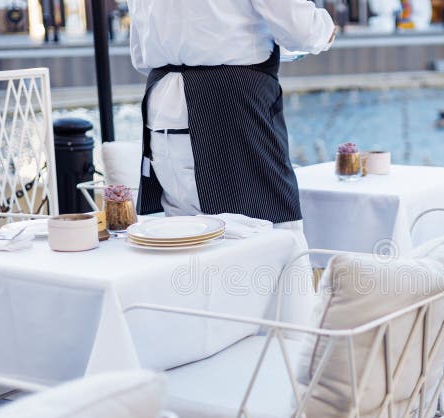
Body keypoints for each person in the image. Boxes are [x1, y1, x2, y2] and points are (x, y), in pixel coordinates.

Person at [127, 0, 336, 245]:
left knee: (185, 243)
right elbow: (302, 31)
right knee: (273, 239)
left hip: (163, 105)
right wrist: (326, 30)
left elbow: (141, 54)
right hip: (230, 105)